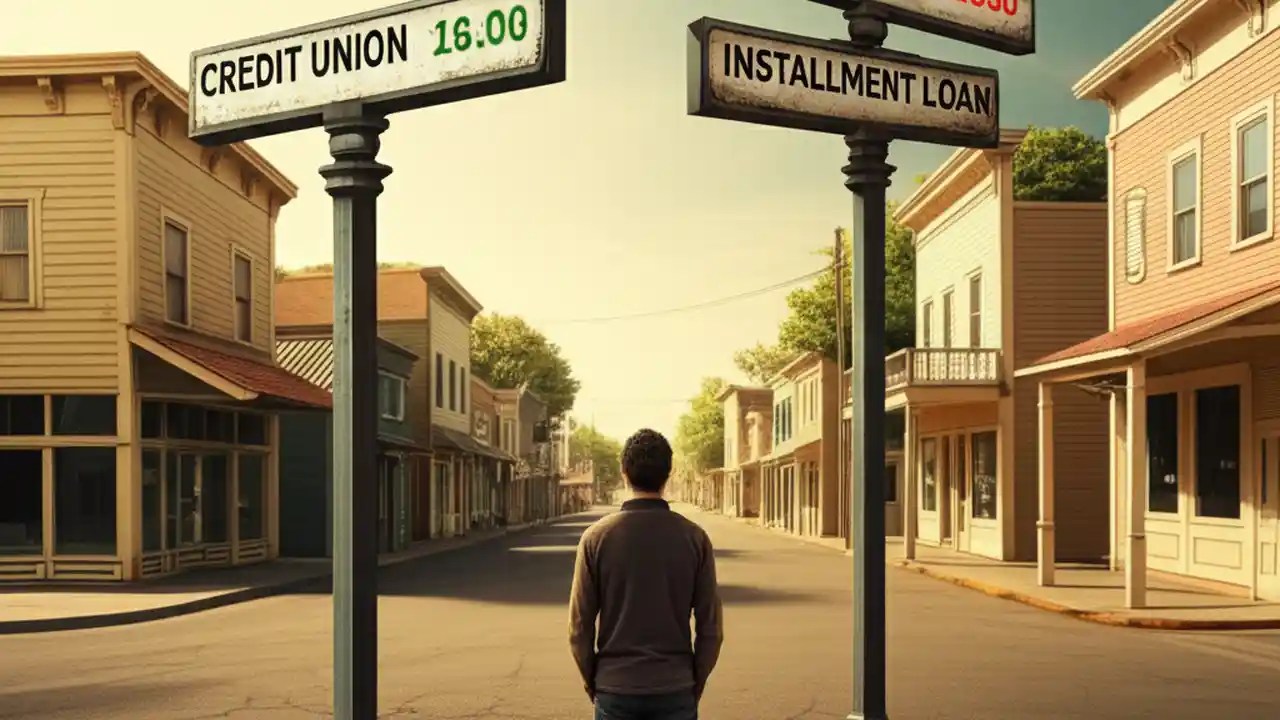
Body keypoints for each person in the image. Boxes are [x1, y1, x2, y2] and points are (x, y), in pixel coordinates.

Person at [568, 428, 724, 720]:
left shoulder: (595, 538)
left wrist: (595, 680)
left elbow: (579, 628)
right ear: (668, 473)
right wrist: (695, 680)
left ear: (624, 472)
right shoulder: (695, 538)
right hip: (675, 688)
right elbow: (711, 629)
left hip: (615, 690)